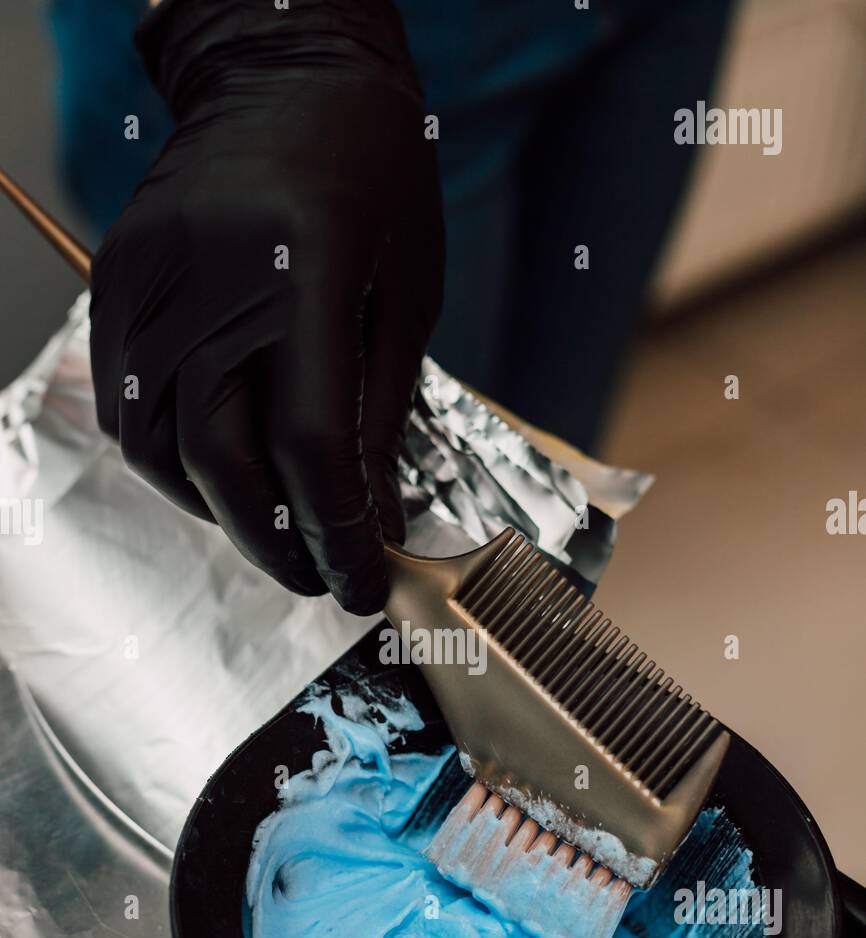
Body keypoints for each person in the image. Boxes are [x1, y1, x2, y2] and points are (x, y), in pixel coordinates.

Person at [49, 0, 733, 614]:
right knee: (349, 572)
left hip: (650, 24)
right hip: (320, 52)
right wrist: (264, 34)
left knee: (532, 511)